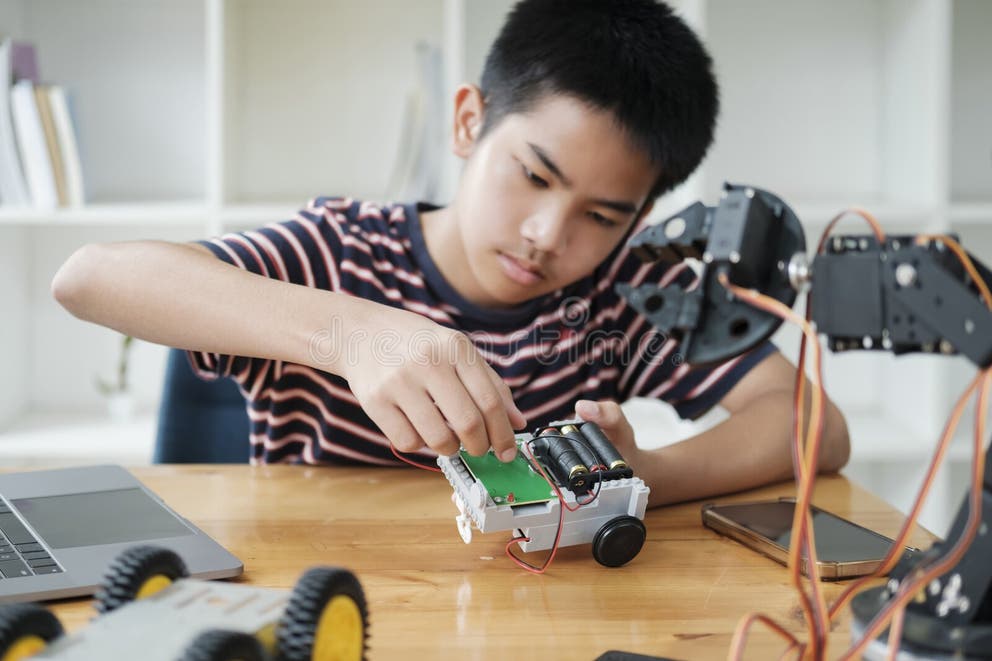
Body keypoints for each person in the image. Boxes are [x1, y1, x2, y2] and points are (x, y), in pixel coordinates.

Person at [51, 0, 849, 507]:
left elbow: (814, 426)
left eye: (603, 215)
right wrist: (349, 334)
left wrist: (638, 476)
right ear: (470, 122)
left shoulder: (626, 288)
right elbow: (88, 279)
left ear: (643, 213)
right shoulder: (341, 252)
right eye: (534, 174)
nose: (548, 234)